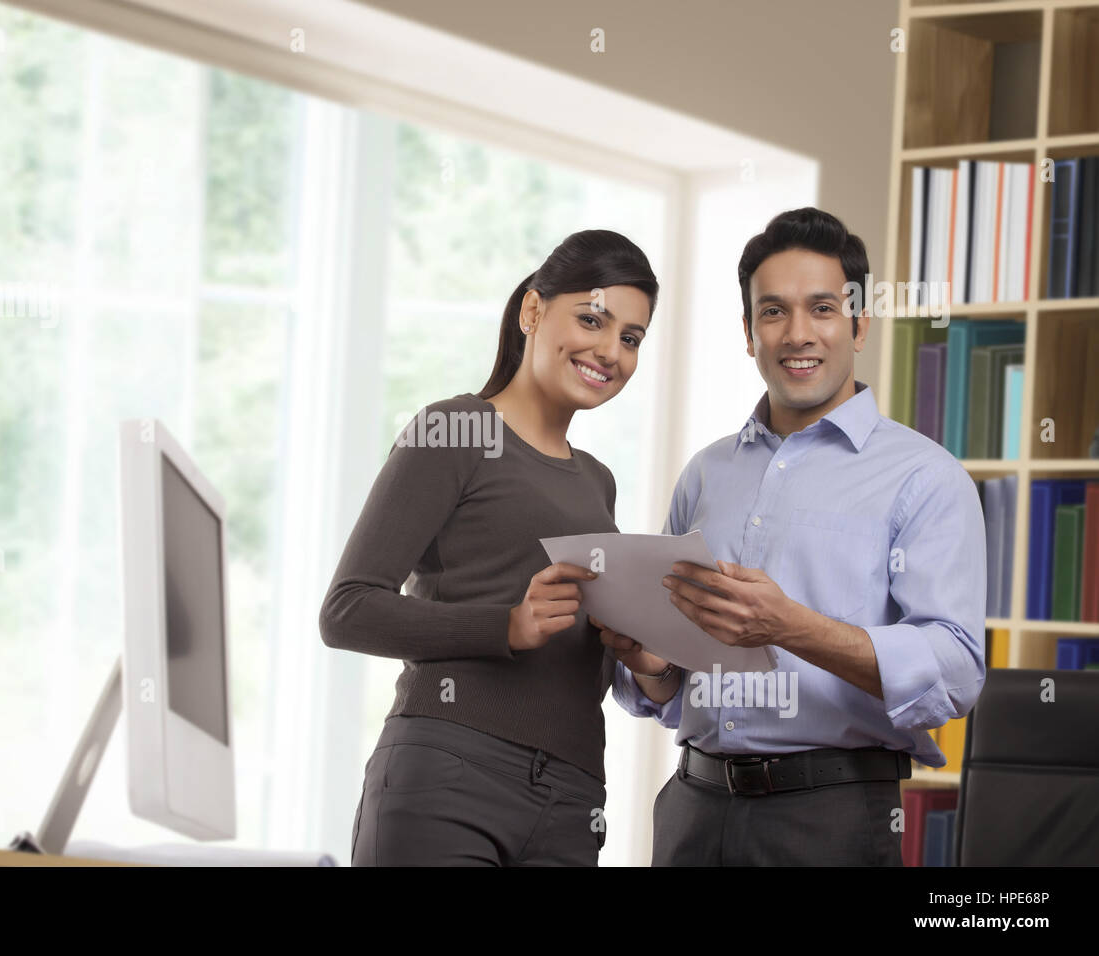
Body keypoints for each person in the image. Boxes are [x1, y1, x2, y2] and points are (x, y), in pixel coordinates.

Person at [600, 207, 985, 866]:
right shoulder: (706, 473)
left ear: (860, 324)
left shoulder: (925, 478)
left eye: (823, 308)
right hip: (692, 809)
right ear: (749, 333)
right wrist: (651, 660)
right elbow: (664, 690)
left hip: (830, 818)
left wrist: (791, 626)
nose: (797, 333)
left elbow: (954, 671)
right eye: (773, 312)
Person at [319, 229, 657, 866]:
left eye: (632, 338)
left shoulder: (598, 481)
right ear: (533, 311)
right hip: (450, 775)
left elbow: (574, 656)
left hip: (572, 798)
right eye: (592, 319)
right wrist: (505, 624)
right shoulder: (455, 430)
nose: (610, 350)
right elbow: (347, 610)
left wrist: (647, 655)